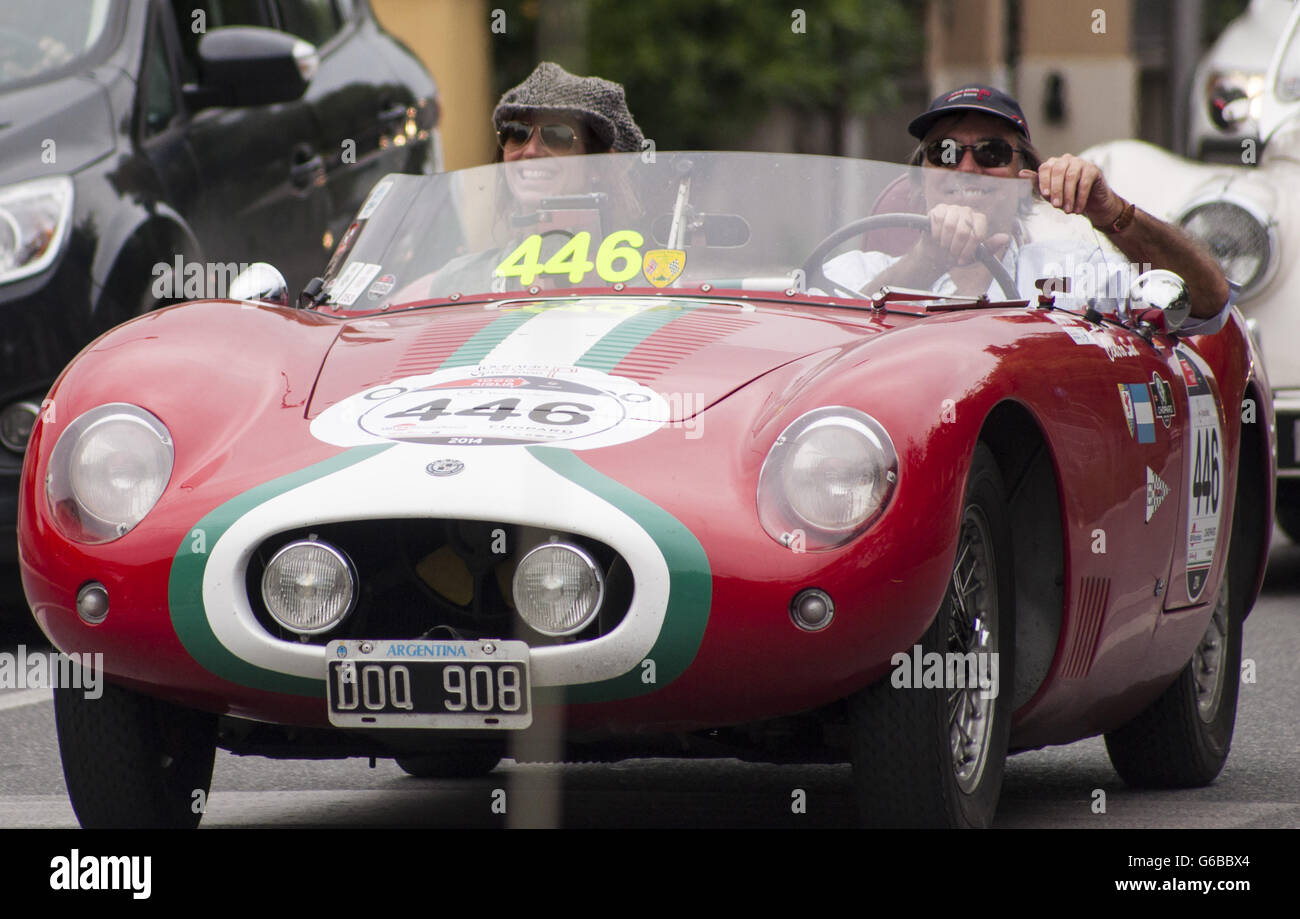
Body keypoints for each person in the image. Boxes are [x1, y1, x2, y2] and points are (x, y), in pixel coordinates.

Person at [824, 85, 1232, 333]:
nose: (967, 169)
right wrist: (926, 261)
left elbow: (1207, 305)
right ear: (921, 179)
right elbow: (824, 342)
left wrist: (1113, 214)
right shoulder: (855, 272)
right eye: (944, 152)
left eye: (992, 152)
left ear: (1026, 183)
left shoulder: (1074, 274)